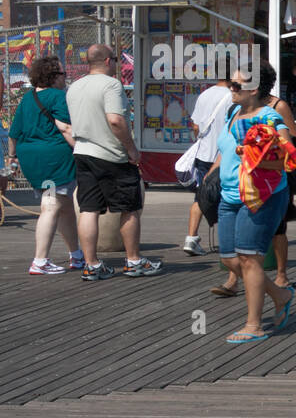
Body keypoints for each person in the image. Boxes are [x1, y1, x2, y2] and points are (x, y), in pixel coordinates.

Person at [210, 64, 295, 343]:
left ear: (254, 89)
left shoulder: (269, 117)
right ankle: (280, 295)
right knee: (230, 259)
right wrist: (211, 176)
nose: (230, 88)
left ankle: (254, 325)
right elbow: (225, 152)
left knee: (249, 258)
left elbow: (287, 159)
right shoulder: (234, 112)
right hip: (230, 195)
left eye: (236, 85)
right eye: (230, 83)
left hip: (259, 196)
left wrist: (249, 153)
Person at [66, 43, 161, 280]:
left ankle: (91, 264)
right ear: (108, 61)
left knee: (88, 209)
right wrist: (131, 149)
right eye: (116, 59)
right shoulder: (111, 85)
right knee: (128, 207)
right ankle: (134, 261)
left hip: (83, 152)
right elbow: (116, 121)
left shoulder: (74, 87)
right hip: (111, 155)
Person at [5, 55, 83, 274]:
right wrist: (83, 152)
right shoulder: (58, 97)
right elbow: (65, 127)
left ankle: (76, 255)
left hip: (30, 157)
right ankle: (40, 261)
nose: (65, 78)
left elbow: (14, 134)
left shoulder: (27, 98)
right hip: (53, 159)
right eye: (63, 73)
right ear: (53, 76)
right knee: (50, 206)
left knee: (64, 206)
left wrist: (12, 157)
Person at [182, 76, 234, 256]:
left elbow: (196, 126)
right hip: (226, 154)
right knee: (228, 196)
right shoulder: (233, 96)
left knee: (201, 195)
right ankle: (228, 241)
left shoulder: (204, 95)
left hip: (204, 154)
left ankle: (191, 237)